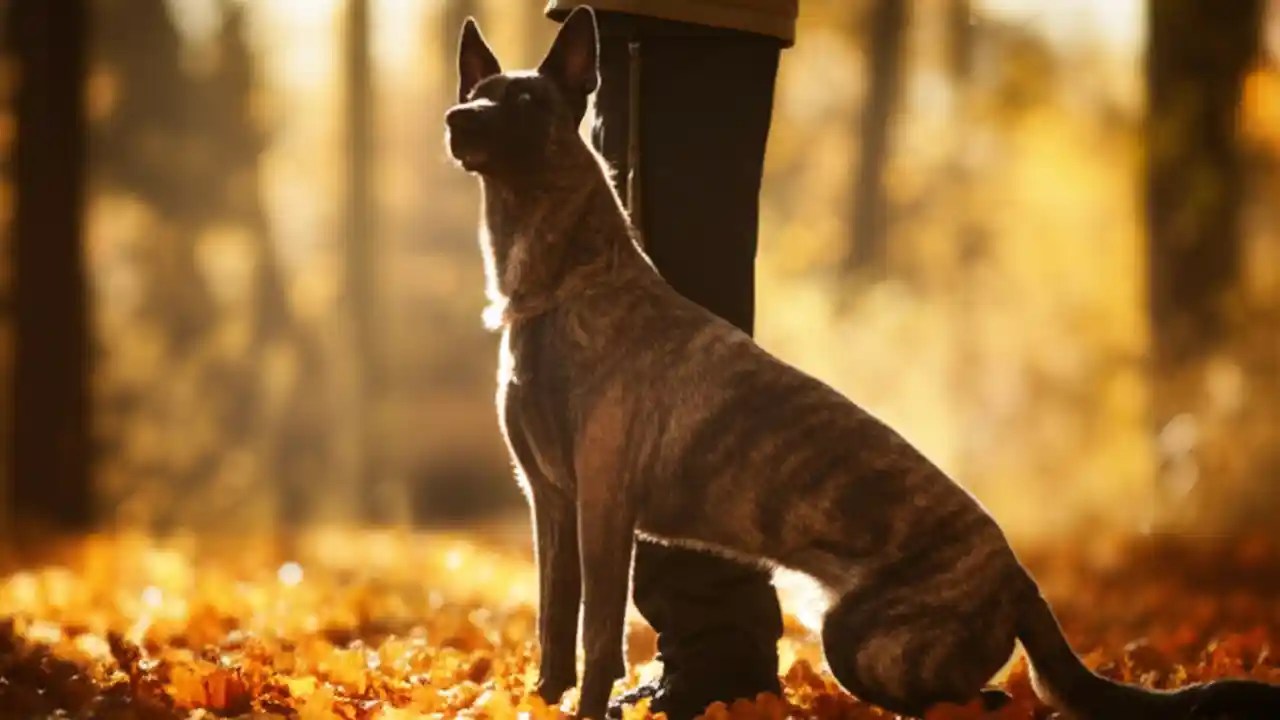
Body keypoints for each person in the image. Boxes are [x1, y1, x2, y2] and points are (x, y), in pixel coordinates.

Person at [543, 2, 798, 718]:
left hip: (666, 20)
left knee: (667, 355)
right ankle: (720, 647)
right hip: (690, 25)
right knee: (690, 331)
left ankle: (717, 651)